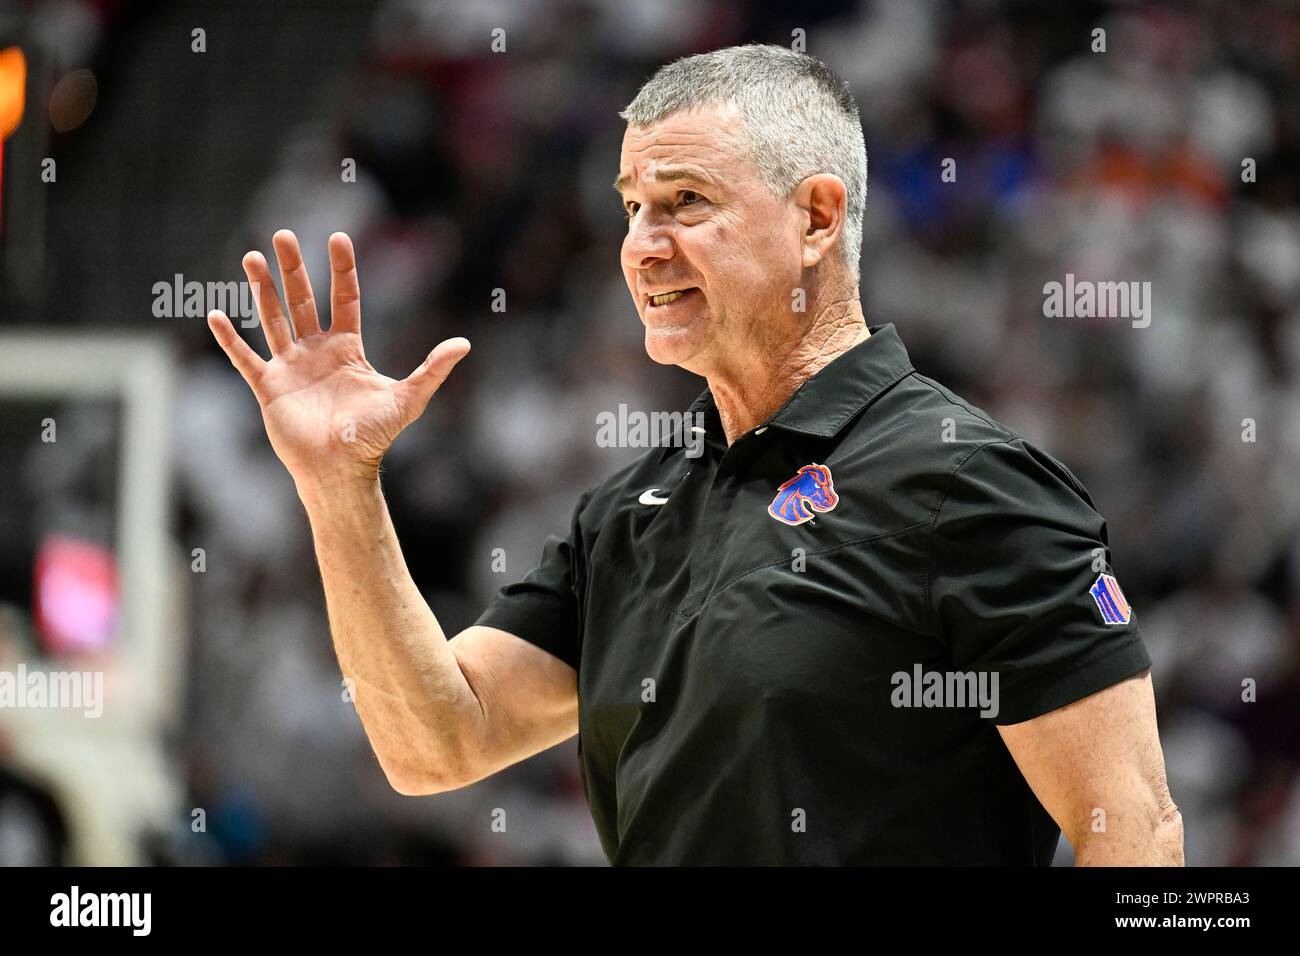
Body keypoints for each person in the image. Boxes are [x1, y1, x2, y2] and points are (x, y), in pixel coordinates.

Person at [207, 44, 1182, 865]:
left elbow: (1132, 829)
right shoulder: (630, 513)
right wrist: (339, 488)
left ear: (815, 217)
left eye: (684, 200)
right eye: (632, 205)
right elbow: (438, 740)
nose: (641, 243)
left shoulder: (969, 484)